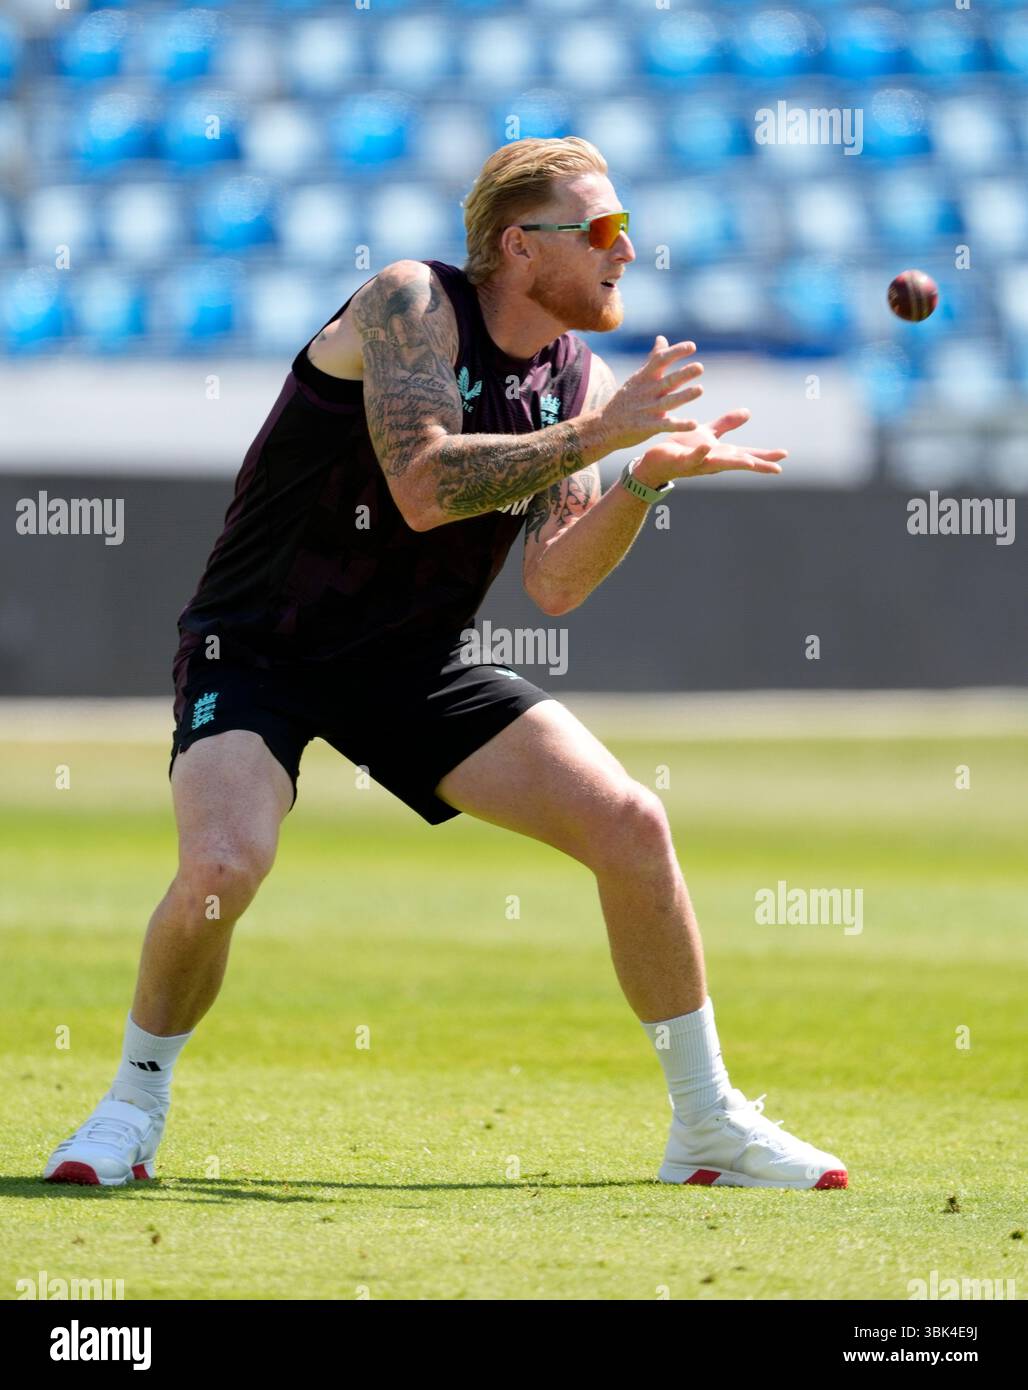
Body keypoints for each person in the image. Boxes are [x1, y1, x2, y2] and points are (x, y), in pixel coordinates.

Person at [44, 137, 846, 1191]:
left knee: (630, 824)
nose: (628, 252)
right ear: (518, 245)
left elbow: (553, 581)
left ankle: (706, 1124)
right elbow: (422, 483)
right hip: (261, 645)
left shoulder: (574, 376)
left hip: (411, 664)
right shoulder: (408, 301)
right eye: (602, 231)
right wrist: (597, 431)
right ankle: (130, 1106)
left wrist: (639, 481)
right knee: (222, 868)